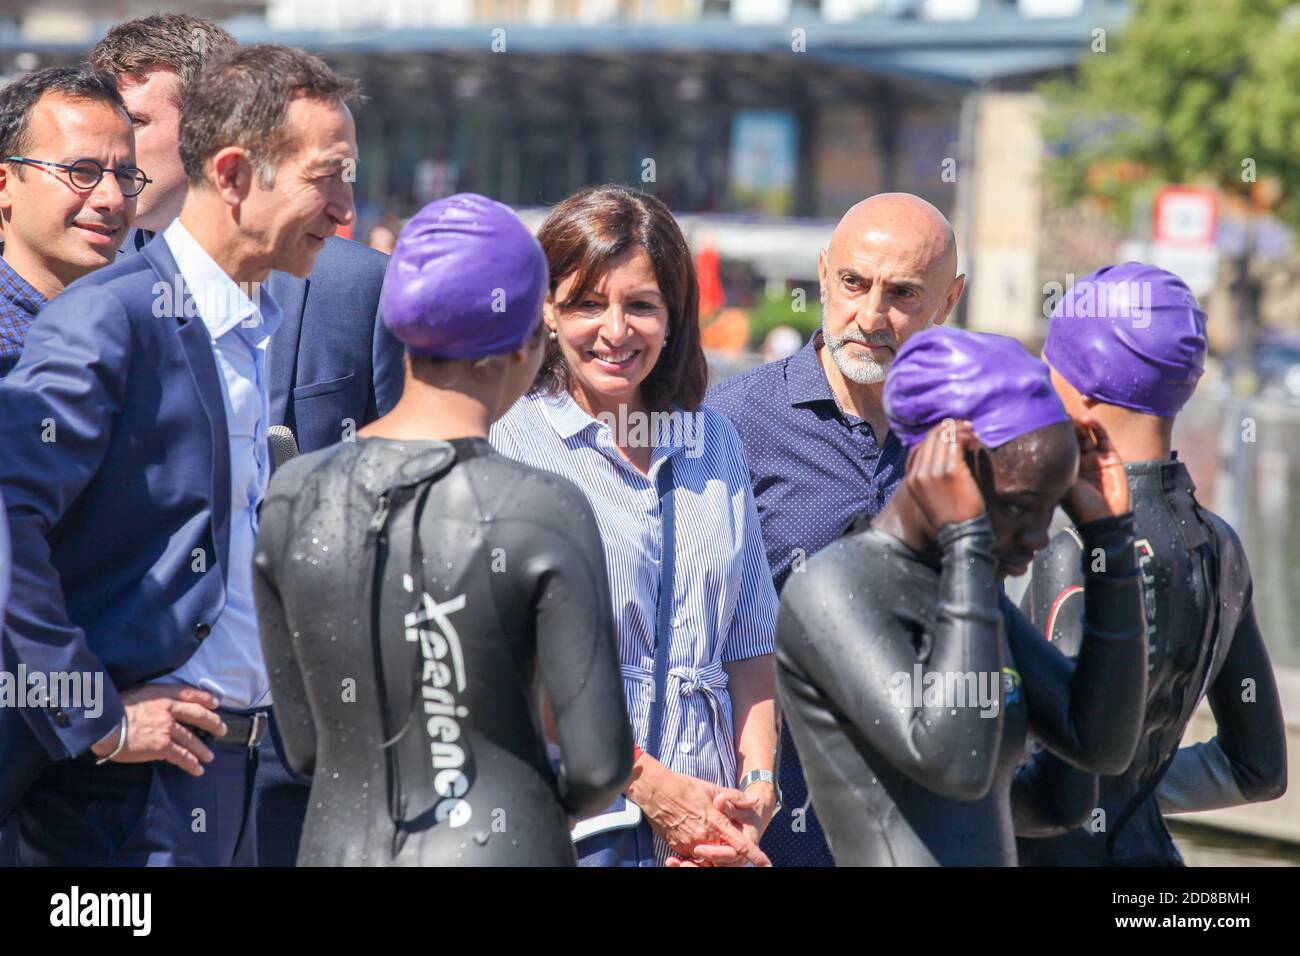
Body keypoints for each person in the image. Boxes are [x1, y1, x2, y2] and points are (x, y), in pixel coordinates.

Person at [0, 43, 359, 865]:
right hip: (123, 805)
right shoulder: (113, 319)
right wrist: (96, 718)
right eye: (325, 176)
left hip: (236, 779)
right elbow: (5, 517)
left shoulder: (253, 324)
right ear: (234, 174)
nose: (345, 207)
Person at [88, 14, 405, 864]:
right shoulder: (92, 309)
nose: (117, 152)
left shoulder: (348, 288)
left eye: (137, 124)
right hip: (152, 768)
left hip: (314, 761)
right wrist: (92, 712)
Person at [253, 194, 632, 865]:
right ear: (524, 343)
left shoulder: (291, 494)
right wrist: (520, 796)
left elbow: (306, 744)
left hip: (341, 844)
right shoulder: (545, 508)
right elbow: (600, 765)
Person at [775, 326, 1149, 865]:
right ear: (944, 468)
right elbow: (957, 763)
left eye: (1053, 506)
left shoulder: (972, 593)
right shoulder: (833, 588)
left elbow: (1101, 746)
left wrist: (1112, 544)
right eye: (1020, 507)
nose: (1040, 536)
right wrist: (969, 542)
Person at [491, 184, 780, 866]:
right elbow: (513, 658)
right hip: (575, 827)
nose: (615, 330)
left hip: (708, 831)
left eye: (641, 305)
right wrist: (652, 788)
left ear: (676, 317)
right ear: (548, 313)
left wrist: (758, 787)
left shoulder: (715, 441)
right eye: (587, 303)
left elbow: (748, 640)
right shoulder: (510, 439)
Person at [706, 192, 966, 865]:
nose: (870, 315)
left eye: (903, 293)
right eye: (853, 283)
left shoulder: (965, 440)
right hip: (762, 824)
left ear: (950, 300)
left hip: (919, 826)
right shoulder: (728, 427)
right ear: (823, 275)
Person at [1016, 263, 1287, 865]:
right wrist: (1127, 792)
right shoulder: (1219, 545)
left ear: (1083, 384)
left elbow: (1062, 773)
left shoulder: (1077, 548)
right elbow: (1258, 769)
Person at [0, 67, 139, 377]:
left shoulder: (149, 338)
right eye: (83, 171)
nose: (113, 198)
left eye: (126, 176)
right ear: (4, 185)